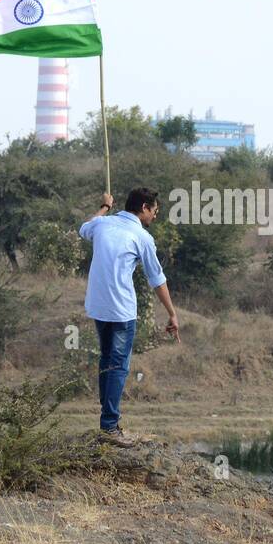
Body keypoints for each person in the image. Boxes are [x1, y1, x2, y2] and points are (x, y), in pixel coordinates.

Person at [78, 188, 179, 447]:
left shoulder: (102, 224)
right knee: (118, 365)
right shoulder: (141, 237)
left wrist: (104, 207)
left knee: (107, 359)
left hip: (98, 306)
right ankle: (109, 426)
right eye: (155, 211)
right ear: (144, 207)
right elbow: (157, 279)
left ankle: (106, 418)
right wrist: (172, 313)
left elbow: (83, 228)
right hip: (121, 310)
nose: (155, 216)